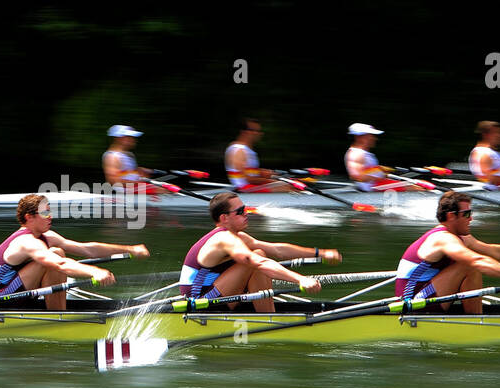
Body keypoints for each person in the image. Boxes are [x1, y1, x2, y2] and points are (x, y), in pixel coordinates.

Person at [395, 191, 500, 313]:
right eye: (467, 214)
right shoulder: (443, 239)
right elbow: (476, 261)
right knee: (469, 265)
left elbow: (495, 251)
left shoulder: (459, 237)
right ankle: (476, 320)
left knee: (471, 262)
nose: (471, 219)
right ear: (451, 216)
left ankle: (474, 315)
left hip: (427, 294)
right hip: (412, 302)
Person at [179, 191, 342, 312]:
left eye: (245, 208)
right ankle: (269, 317)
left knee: (260, 253)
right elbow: (258, 262)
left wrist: (320, 253)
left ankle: (268, 314)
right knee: (257, 258)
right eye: (240, 211)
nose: (246, 213)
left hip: (216, 293)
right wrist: (300, 280)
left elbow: (277, 250)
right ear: (224, 218)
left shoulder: (238, 237)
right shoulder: (224, 239)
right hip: (200, 303)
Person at [0, 194, 150, 310]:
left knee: (57, 251)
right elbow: (59, 264)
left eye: (49, 211)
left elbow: (87, 249)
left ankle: (58, 312)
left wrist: (130, 249)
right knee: (56, 255)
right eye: (44, 213)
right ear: (29, 217)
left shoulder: (46, 236)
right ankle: (58, 317)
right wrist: (94, 272)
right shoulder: (26, 241)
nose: (50, 216)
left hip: (19, 290)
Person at [344, 123, 424, 192]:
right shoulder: (355, 154)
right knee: (415, 187)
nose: (375, 138)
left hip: (376, 184)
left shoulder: (362, 153)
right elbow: (356, 176)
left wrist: (383, 170)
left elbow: (367, 170)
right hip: (371, 187)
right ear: (361, 137)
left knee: (420, 183)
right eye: (371, 135)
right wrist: (379, 178)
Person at [225, 118, 294, 192]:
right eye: (255, 130)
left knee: (291, 185)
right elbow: (248, 179)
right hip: (244, 189)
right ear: (244, 132)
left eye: (259, 131)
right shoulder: (238, 149)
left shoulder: (246, 149)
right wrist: (273, 182)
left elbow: (249, 171)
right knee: (290, 187)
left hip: (250, 187)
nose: (258, 133)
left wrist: (266, 172)